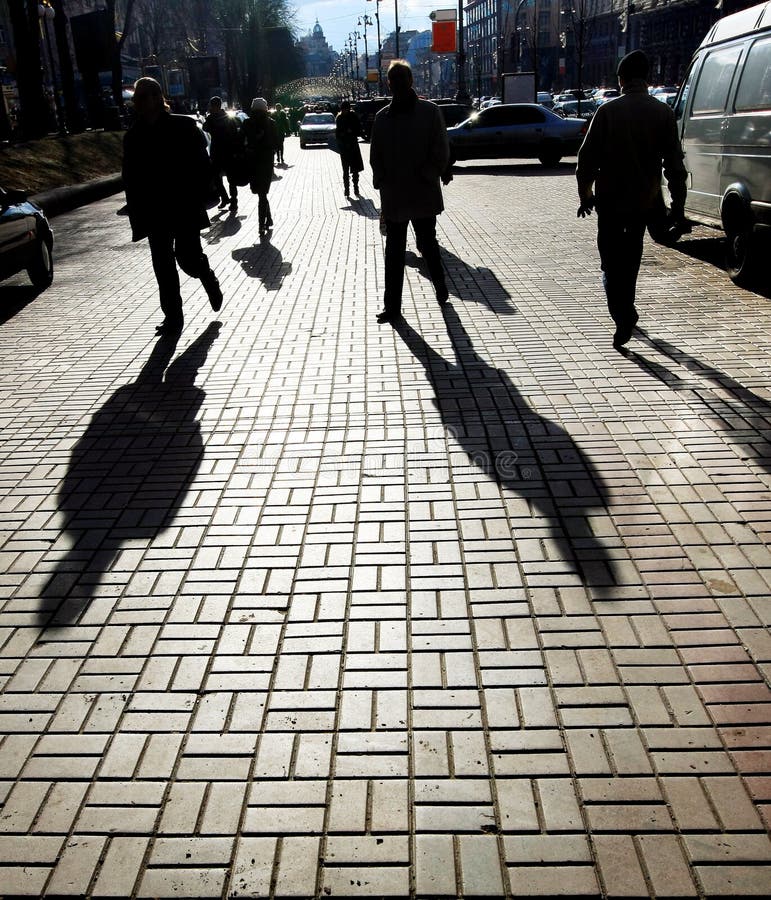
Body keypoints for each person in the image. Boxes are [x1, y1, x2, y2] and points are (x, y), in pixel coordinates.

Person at [576, 49, 687, 349]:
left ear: (622, 79)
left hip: (611, 202)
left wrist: (586, 195)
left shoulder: (607, 111)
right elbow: (675, 167)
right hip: (644, 202)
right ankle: (628, 307)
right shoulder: (663, 113)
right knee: (632, 257)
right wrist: (678, 206)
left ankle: (623, 314)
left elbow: (586, 160)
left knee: (610, 263)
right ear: (646, 78)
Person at [122, 77, 223, 337]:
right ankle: (173, 317)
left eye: (144, 97)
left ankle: (207, 277)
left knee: (188, 258)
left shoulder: (183, 126)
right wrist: (134, 209)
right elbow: (130, 177)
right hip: (154, 210)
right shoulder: (133, 136)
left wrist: (203, 191)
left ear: (158, 98)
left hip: (183, 205)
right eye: (137, 99)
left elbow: (203, 164)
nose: (139, 103)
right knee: (163, 265)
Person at [369, 60, 450, 324]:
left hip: (422, 192)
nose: (398, 84)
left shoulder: (430, 111)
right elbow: (375, 154)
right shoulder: (383, 118)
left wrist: (429, 174)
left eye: (402, 79)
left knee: (428, 244)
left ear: (411, 81)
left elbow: (441, 149)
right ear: (388, 84)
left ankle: (440, 284)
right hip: (395, 196)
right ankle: (392, 306)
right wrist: (381, 180)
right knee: (394, 253)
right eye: (393, 80)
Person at [242, 97, 278, 236]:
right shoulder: (271, 123)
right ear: (265, 109)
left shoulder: (247, 123)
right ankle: (266, 220)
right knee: (262, 194)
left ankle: (262, 224)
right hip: (266, 163)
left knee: (260, 193)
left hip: (252, 162)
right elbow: (276, 142)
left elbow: (240, 140)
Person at [203, 95, 242, 212]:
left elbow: (235, 134)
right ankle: (225, 198)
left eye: (212, 106)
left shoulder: (225, 117)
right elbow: (205, 128)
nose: (211, 108)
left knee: (230, 178)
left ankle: (233, 201)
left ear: (215, 106)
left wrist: (236, 150)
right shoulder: (217, 118)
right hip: (218, 152)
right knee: (216, 177)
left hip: (226, 152)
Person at [335, 100, 364, 197]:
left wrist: (352, 131)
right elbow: (337, 133)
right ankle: (346, 189)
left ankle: (356, 187)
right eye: (343, 109)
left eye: (346, 109)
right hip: (344, 148)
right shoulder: (339, 118)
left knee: (355, 169)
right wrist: (343, 134)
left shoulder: (353, 116)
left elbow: (359, 130)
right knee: (345, 170)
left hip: (353, 146)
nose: (345, 111)